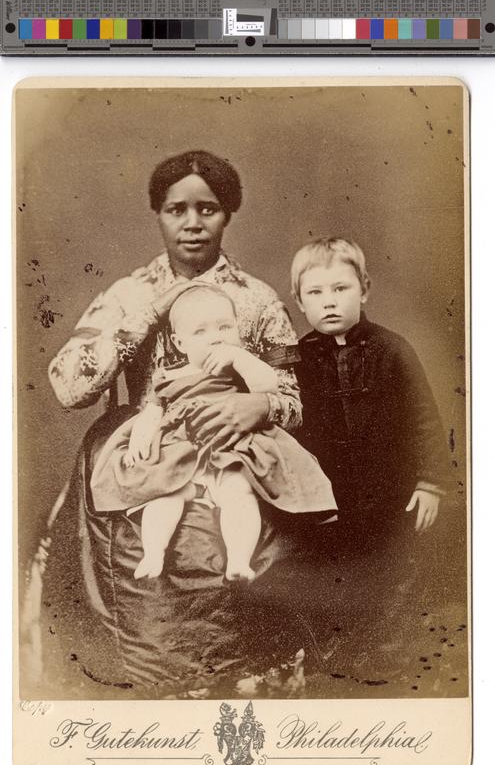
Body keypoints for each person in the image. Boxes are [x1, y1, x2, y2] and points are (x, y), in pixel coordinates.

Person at [26, 150, 308, 696]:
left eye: (208, 209)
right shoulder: (129, 293)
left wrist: (258, 406)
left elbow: (293, 400)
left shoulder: (257, 299)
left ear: (228, 215)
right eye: (177, 209)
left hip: (236, 456)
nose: (193, 223)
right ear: (158, 213)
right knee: (141, 581)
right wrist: (149, 314)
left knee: (250, 568)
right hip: (142, 456)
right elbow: (67, 388)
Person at [90, 283, 336, 582]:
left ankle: (238, 559)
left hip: (230, 445)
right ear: (180, 343)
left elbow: (267, 386)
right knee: (165, 495)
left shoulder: (238, 367)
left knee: (238, 491)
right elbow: (152, 413)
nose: (216, 337)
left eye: (224, 327)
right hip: (181, 447)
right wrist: (139, 440)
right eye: (201, 332)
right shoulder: (168, 375)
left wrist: (241, 358)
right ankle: (154, 552)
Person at [292, 237, 450, 552]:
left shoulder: (392, 348)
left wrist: (429, 484)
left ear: (364, 289)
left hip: (392, 494)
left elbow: (423, 418)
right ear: (299, 301)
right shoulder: (299, 358)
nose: (329, 302)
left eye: (340, 289)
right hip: (327, 499)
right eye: (315, 292)